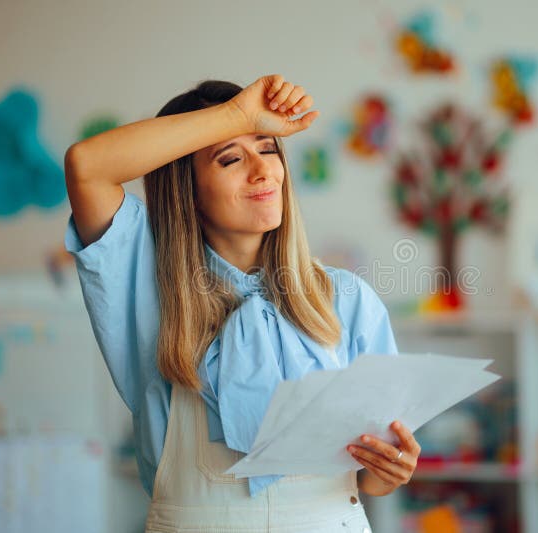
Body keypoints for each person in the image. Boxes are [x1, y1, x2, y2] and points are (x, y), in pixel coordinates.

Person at [63, 74, 421, 532]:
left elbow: (370, 475)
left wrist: (389, 471)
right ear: (186, 190)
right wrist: (238, 114)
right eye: (230, 158)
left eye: (268, 148)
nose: (262, 171)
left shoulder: (348, 299)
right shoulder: (141, 277)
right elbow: (86, 164)